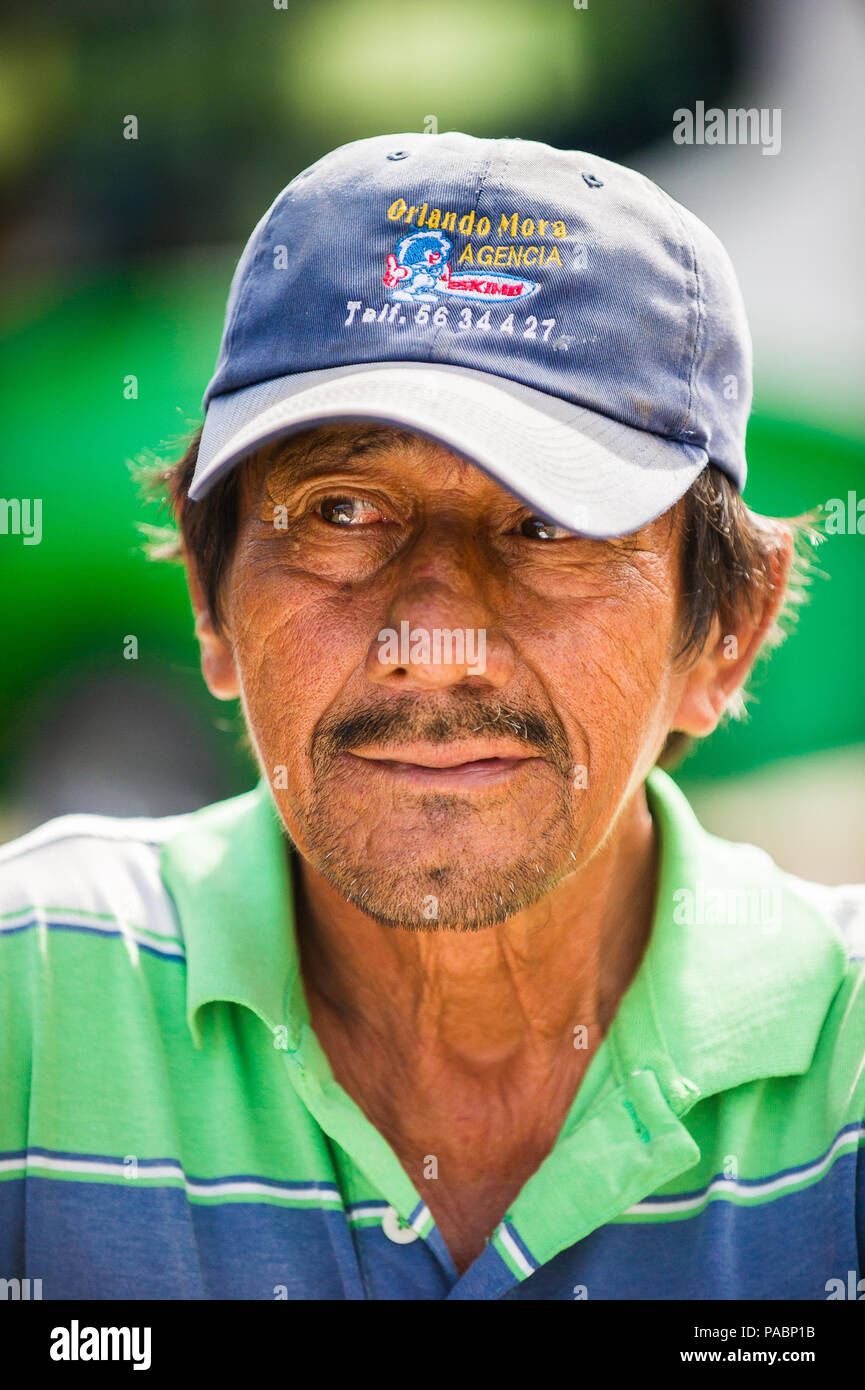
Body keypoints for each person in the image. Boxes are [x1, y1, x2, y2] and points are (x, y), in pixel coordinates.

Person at [1, 131, 862, 1301]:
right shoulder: (32, 1000)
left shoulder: (846, 1069)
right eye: (344, 509)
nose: (434, 642)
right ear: (211, 601)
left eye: (552, 529)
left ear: (723, 635)